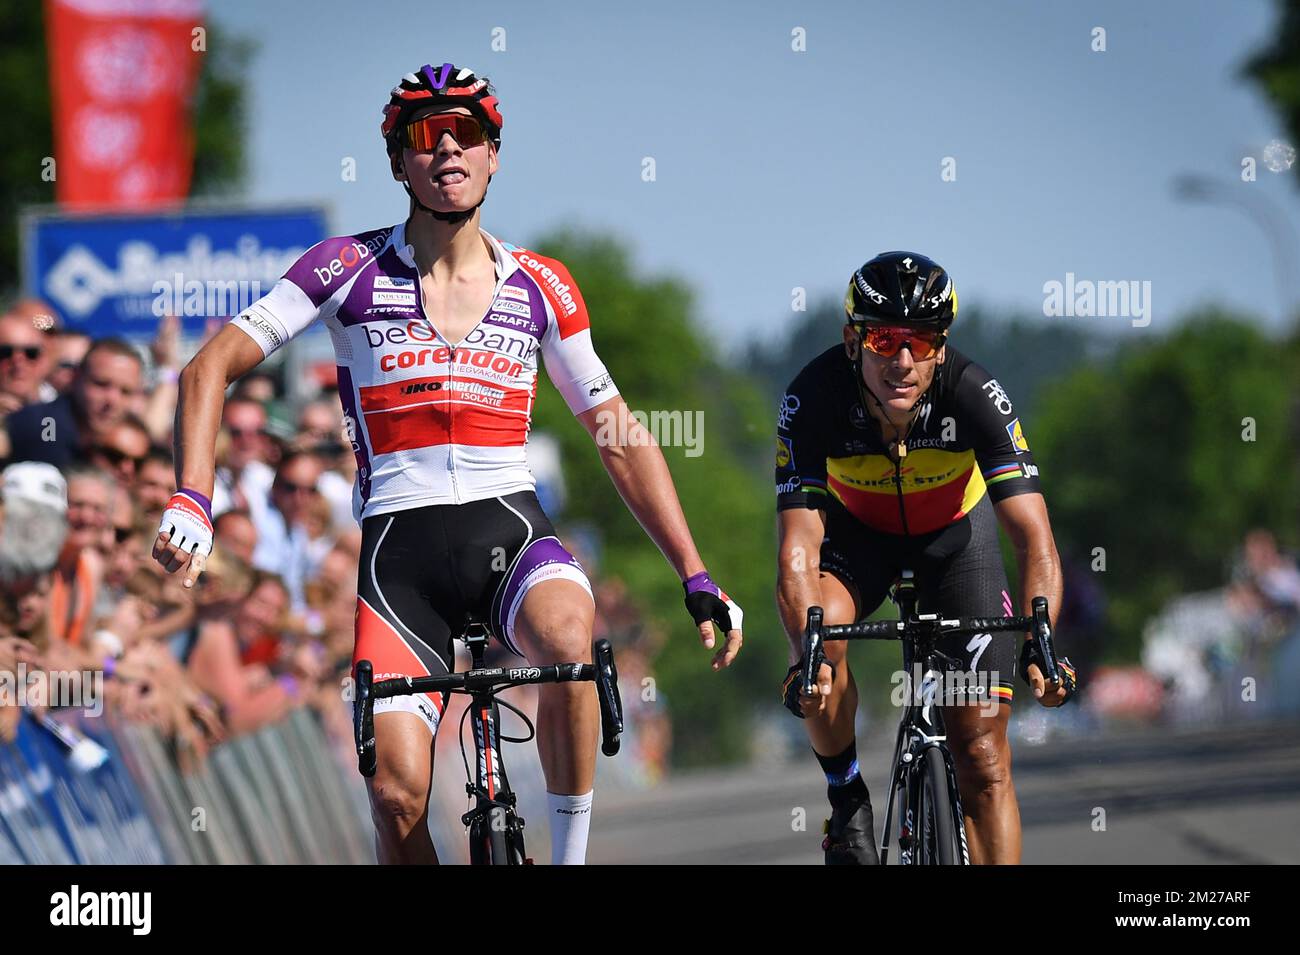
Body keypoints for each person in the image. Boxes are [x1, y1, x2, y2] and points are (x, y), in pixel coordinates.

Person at [153, 61, 743, 866]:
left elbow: (617, 431)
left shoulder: (543, 285)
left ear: (494, 155)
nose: (448, 150)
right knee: (395, 795)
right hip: (401, 563)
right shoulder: (343, 269)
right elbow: (206, 367)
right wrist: (192, 497)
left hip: (513, 537)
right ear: (399, 162)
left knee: (574, 641)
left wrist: (695, 572)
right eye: (426, 137)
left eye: (467, 133)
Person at [775, 251, 1075, 865]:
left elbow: (1033, 537)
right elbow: (799, 547)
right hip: (859, 539)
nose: (902, 360)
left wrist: (1040, 635)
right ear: (852, 339)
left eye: (922, 340)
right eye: (884, 338)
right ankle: (847, 795)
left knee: (983, 754)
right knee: (821, 635)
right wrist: (807, 651)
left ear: (942, 346)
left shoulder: (974, 392)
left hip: (956, 542)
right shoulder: (815, 396)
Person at [3, 338, 143, 469]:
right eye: (101, 384)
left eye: (126, 392)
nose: (112, 401)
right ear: (75, 378)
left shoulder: (120, 444)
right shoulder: (45, 426)